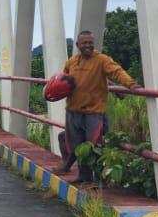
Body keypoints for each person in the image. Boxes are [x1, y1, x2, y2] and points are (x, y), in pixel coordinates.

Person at [56, 29, 139, 183]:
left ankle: (100, 180)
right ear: (77, 45)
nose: (88, 46)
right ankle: (83, 176)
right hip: (73, 110)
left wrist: (131, 84)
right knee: (78, 147)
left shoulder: (102, 60)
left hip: (93, 112)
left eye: (90, 43)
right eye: (84, 43)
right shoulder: (72, 62)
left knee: (95, 147)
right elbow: (64, 80)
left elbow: (116, 71)